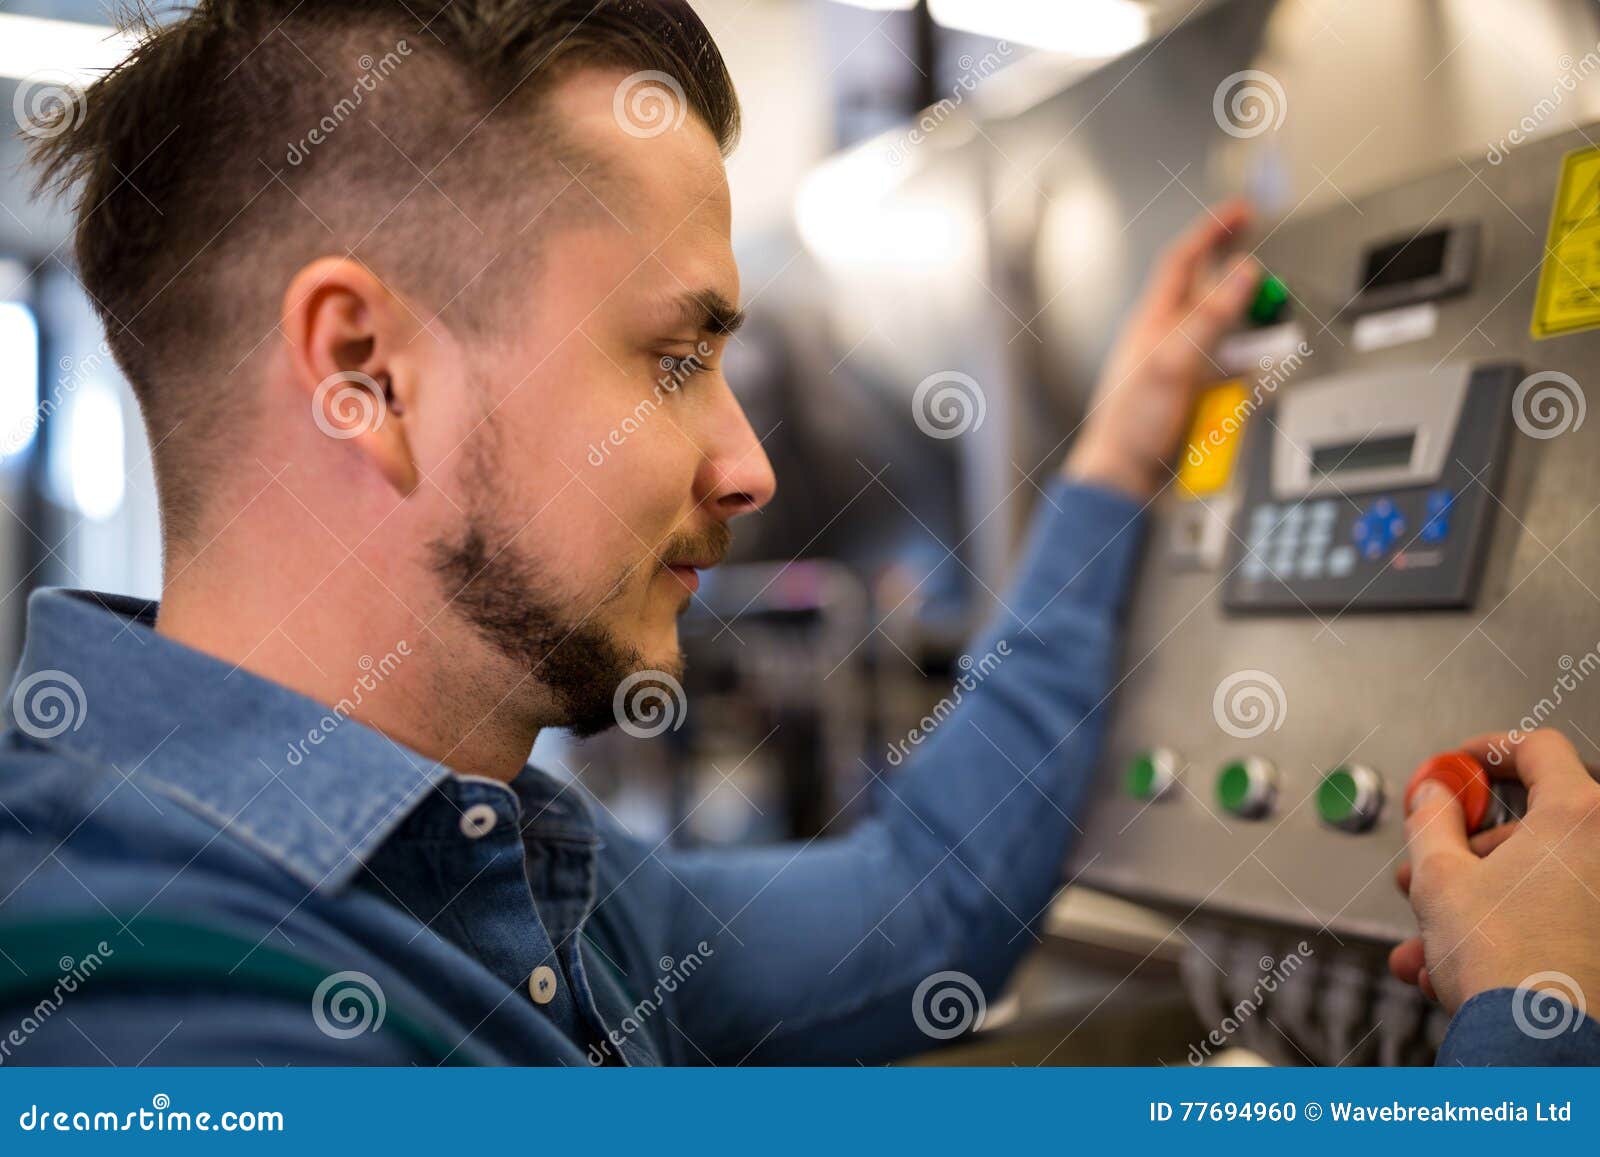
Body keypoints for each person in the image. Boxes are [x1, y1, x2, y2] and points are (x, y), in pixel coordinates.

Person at [0, 0, 1589, 1067]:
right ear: (367, 375)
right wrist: (1541, 1021)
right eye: (675, 355)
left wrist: (1117, 452)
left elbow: (926, 895)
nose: (748, 462)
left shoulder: (495, 873)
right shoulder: (162, 1015)